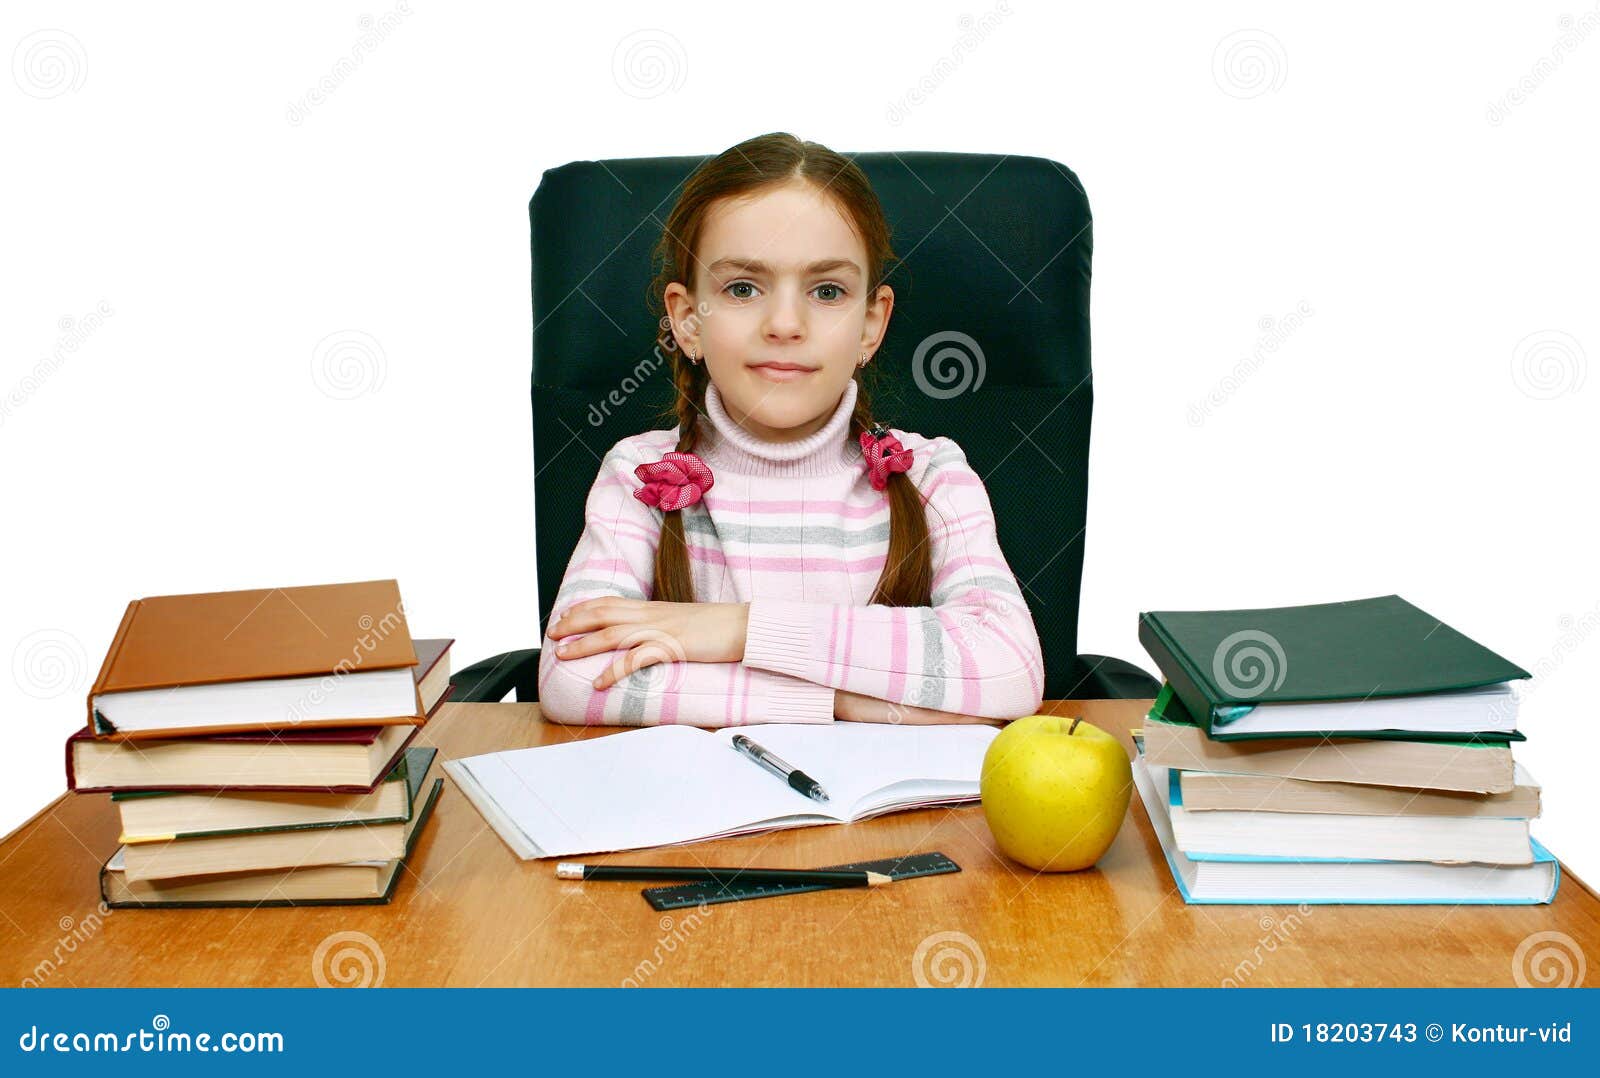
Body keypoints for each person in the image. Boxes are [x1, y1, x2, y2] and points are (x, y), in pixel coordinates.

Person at [538, 131, 1044, 727]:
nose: (784, 323)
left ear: (870, 324)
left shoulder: (931, 473)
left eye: (827, 291)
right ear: (686, 320)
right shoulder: (638, 476)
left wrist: (735, 629)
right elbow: (574, 675)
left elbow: (1008, 670)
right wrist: (838, 704)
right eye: (743, 288)